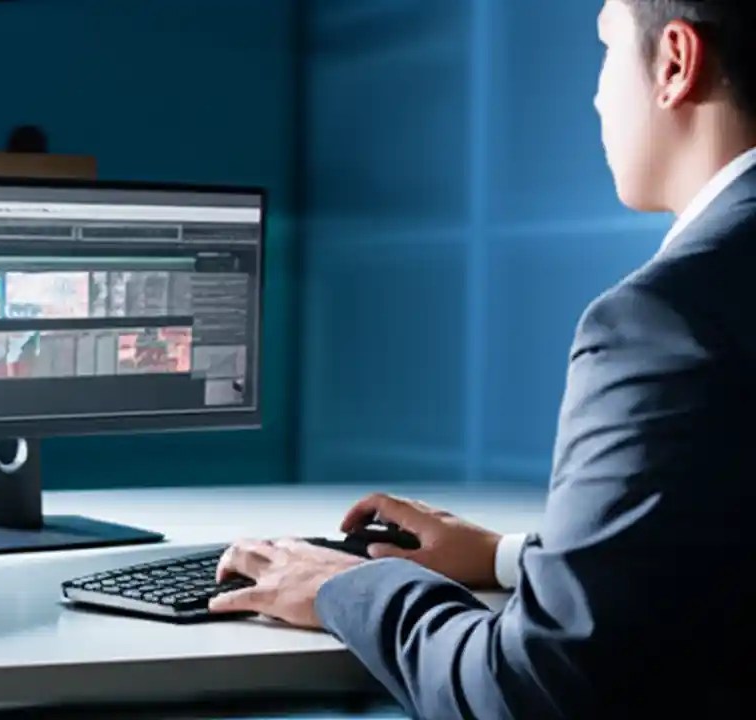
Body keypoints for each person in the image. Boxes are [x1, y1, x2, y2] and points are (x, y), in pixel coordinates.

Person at [209, 1, 756, 716]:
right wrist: (508, 557)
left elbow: (530, 693)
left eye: (606, 47)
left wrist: (343, 587)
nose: (595, 93)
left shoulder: (663, 320)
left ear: (674, 64)